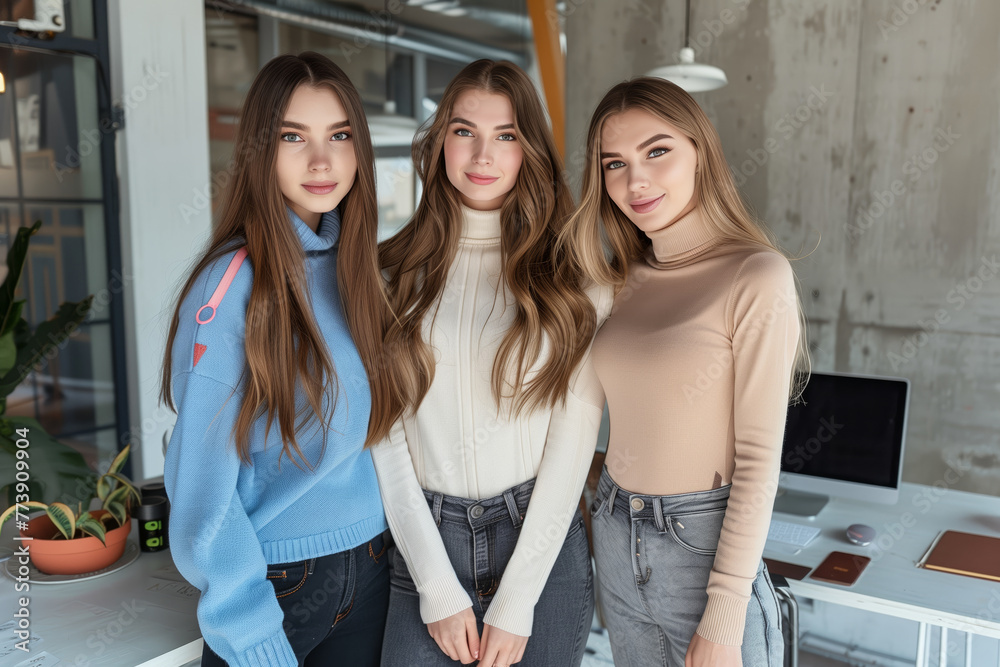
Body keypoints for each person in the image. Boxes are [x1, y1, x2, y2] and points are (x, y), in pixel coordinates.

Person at [161, 52, 404, 667]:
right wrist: (248, 630)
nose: (321, 161)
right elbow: (200, 489)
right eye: (293, 137)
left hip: (374, 569)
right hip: (279, 584)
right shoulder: (232, 285)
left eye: (339, 136)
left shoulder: (359, 274)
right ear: (259, 151)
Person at [561, 77, 810, 666]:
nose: (634, 180)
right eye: (613, 163)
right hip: (616, 534)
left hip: (701, 551)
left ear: (701, 150)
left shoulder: (756, 275)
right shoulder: (621, 281)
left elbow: (757, 459)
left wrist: (724, 617)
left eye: (657, 151)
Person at [372, 59, 612, 667]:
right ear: (439, 144)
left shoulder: (576, 279)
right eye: (463, 131)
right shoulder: (386, 274)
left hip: (540, 544)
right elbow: (384, 439)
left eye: (505, 135)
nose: (483, 154)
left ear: (528, 149)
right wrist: (435, 587)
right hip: (422, 540)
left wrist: (515, 602)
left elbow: (572, 444)